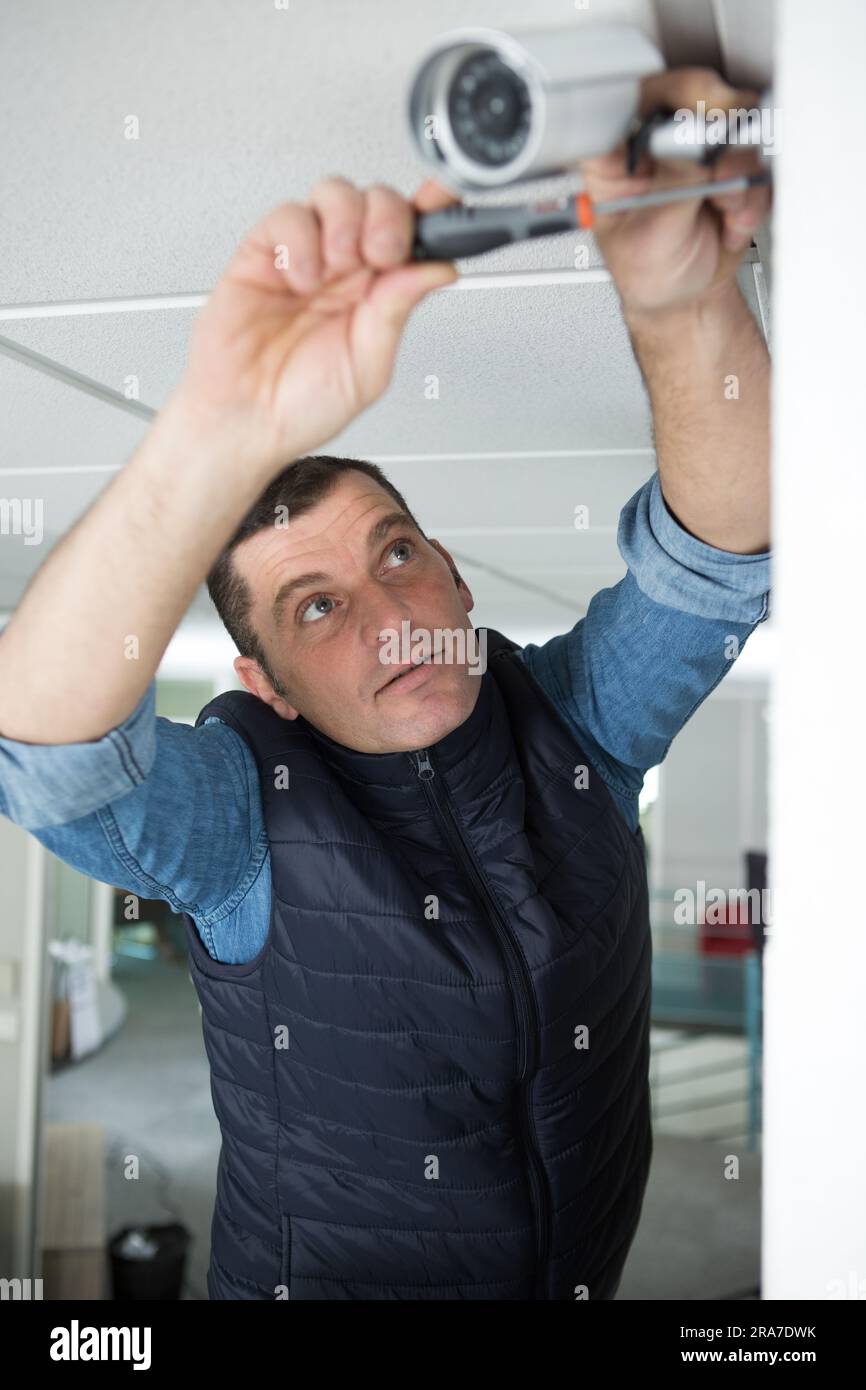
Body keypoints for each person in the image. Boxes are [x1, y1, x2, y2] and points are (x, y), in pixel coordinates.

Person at [0, 68, 771, 1300]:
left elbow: (720, 557)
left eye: (395, 553)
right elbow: (49, 751)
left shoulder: (574, 722)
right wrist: (220, 427)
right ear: (268, 681)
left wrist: (680, 303)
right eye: (317, 607)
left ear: (454, 581)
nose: (389, 617)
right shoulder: (241, 818)